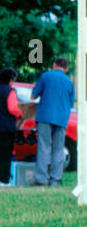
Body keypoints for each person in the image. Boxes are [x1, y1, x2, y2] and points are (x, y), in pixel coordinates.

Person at [30, 56, 75, 186]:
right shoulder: (69, 82)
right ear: (65, 69)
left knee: (44, 147)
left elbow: (33, 96)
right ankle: (55, 179)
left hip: (45, 116)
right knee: (59, 148)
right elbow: (71, 104)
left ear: (54, 65)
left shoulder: (46, 76)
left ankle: (41, 179)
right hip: (61, 119)